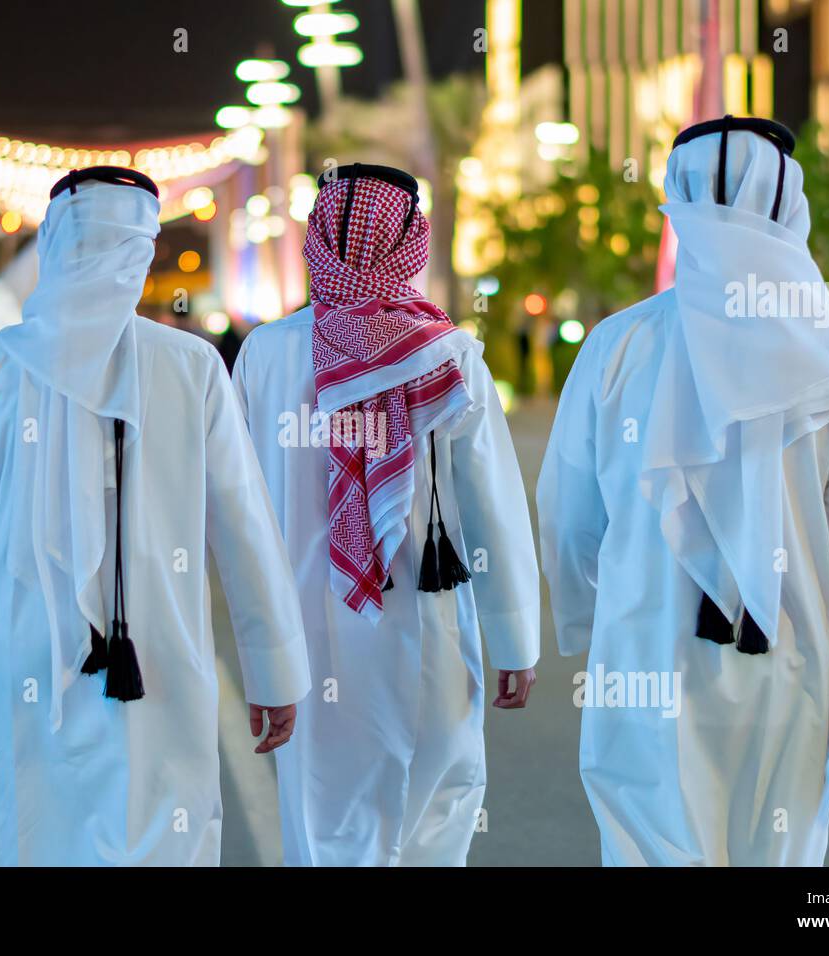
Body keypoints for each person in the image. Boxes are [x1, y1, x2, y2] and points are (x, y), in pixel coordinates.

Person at [0, 168, 310, 867]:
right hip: (161, 660)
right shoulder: (190, 366)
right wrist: (273, 673)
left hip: (22, 657)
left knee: (36, 841)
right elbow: (246, 528)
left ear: (57, 244)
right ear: (141, 251)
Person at [538, 117, 829, 866]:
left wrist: (593, 616)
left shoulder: (617, 345)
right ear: (788, 207)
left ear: (677, 199)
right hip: (790, 670)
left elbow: (567, 518)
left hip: (643, 659)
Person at [233, 164, 540, 867]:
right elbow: (492, 506)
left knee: (323, 819)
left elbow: (244, 517)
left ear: (318, 239)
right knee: (433, 815)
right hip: (427, 626)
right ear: (412, 242)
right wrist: (515, 638)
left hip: (304, 634)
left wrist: (260, 656)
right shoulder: (448, 353)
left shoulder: (268, 353)